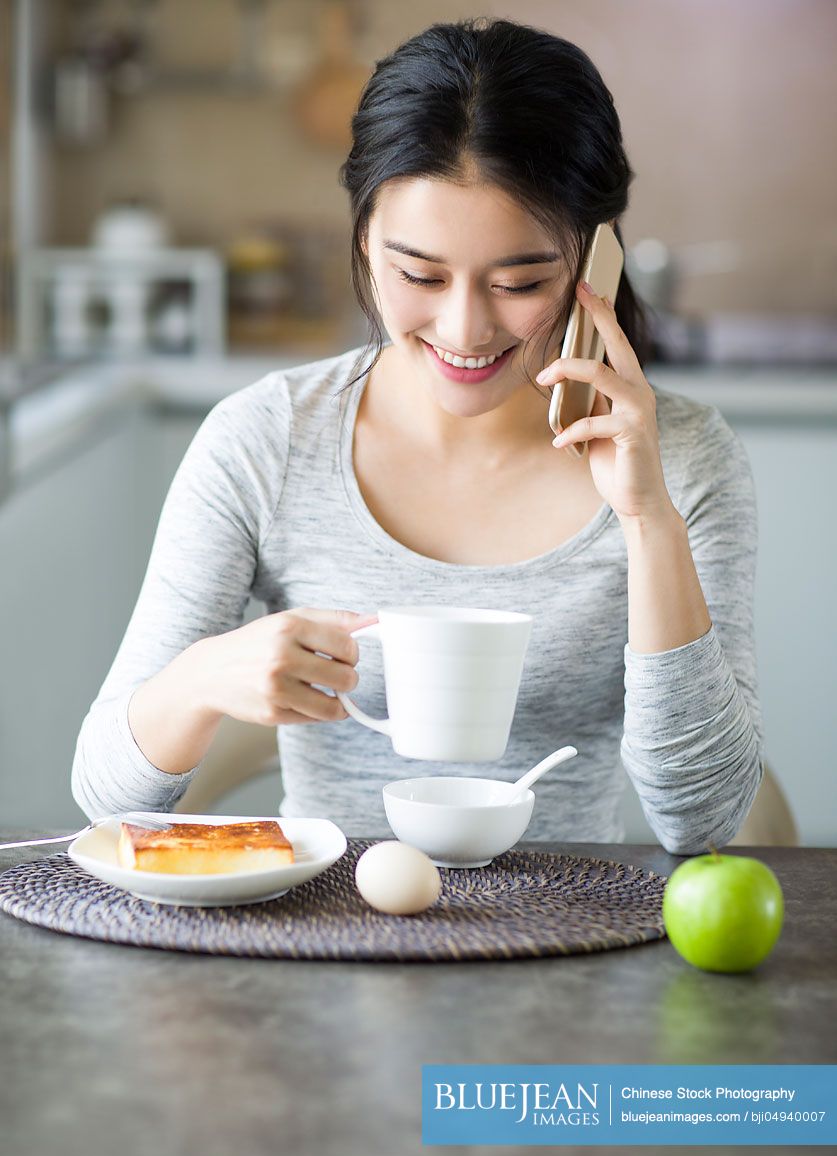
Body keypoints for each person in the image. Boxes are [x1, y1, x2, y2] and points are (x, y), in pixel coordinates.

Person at [72, 17, 763, 853]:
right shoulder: (267, 440)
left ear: (595, 259)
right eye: (418, 274)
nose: (464, 327)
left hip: (573, 952)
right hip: (320, 949)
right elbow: (103, 794)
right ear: (363, 238)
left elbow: (703, 818)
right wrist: (199, 681)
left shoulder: (681, 460)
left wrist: (649, 521)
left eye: (520, 280)